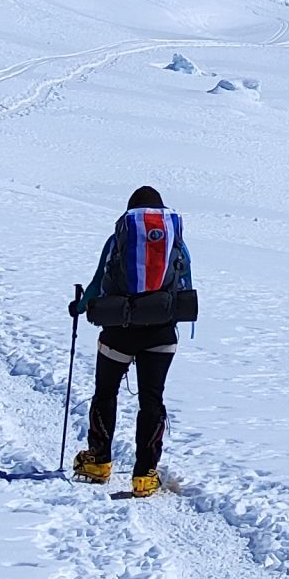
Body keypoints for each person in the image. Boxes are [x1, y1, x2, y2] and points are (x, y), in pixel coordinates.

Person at [68, 186, 195, 496]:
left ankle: (98, 462)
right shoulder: (175, 241)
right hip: (161, 334)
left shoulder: (118, 239)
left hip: (119, 331)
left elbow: (98, 282)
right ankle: (145, 475)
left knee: (105, 393)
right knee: (152, 400)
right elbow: (184, 284)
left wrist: (80, 306)